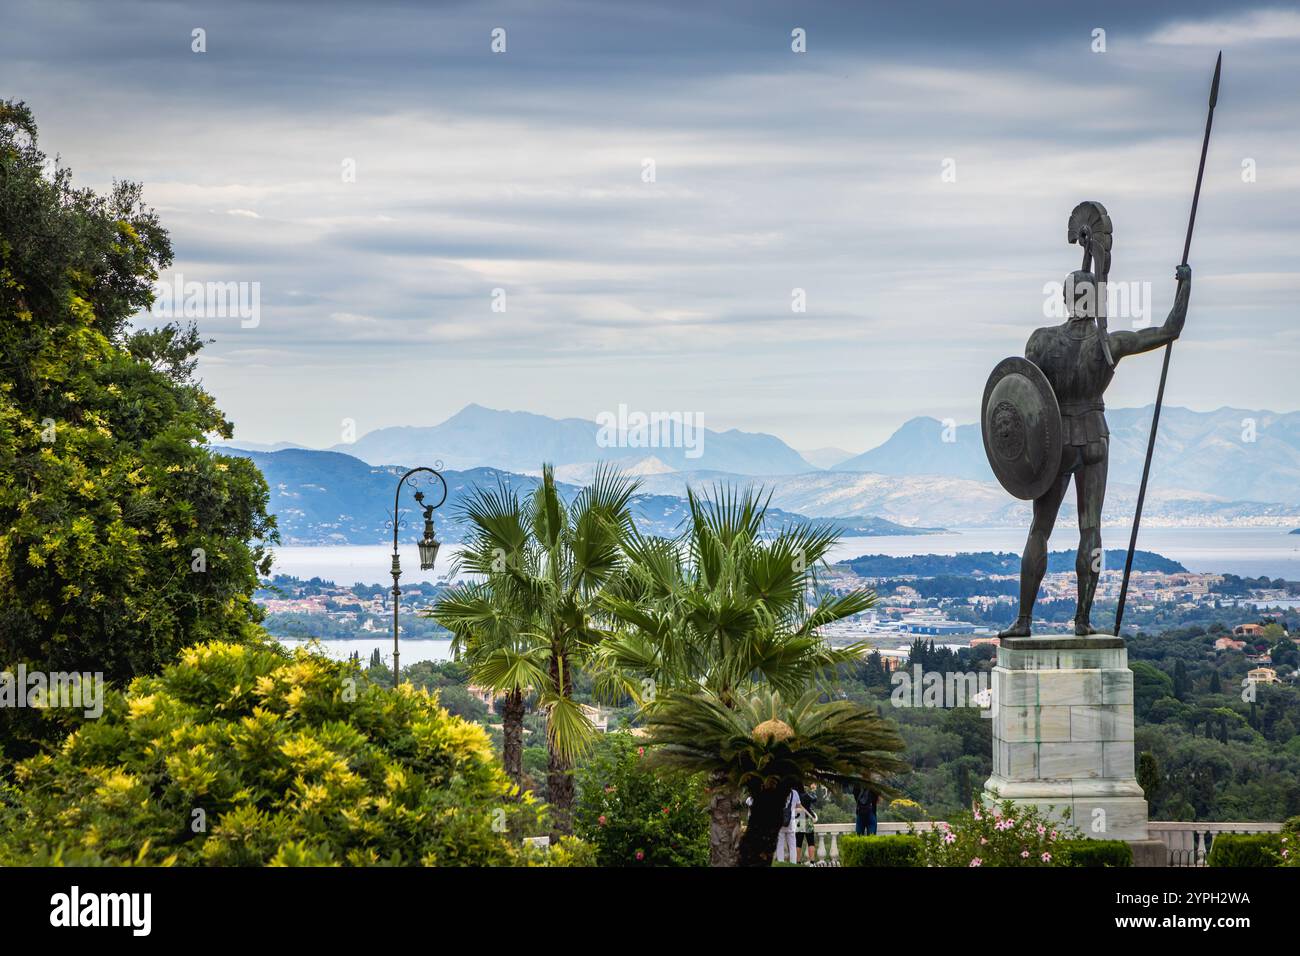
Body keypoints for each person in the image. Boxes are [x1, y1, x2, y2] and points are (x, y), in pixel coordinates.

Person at [1000, 258, 1191, 637]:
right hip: (1093, 439)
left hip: (1055, 443)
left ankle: (1024, 621)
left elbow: (1028, 396)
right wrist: (1185, 285)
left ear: (1068, 299)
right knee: (1092, 531)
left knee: (1040, 529)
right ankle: (1083, 620)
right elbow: (1170, 330)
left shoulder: (1041, 340)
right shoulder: (1108, 344)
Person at [774, 787, 801, 863]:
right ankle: (793, 863)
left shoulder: (778, 791)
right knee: (792, 846)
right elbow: (798, 807)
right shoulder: (795, 793)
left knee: (780, 845)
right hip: (791, 822)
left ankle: (781, 862)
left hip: (780, 822)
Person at [796, 785, 820, 862]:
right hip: (807, 819)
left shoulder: (796, 796)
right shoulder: (806, 795)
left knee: (798, 842)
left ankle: (797, 861)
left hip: (799, 819)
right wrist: (813, 791)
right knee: (810, 842)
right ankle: (812, 862)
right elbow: (814, 799)